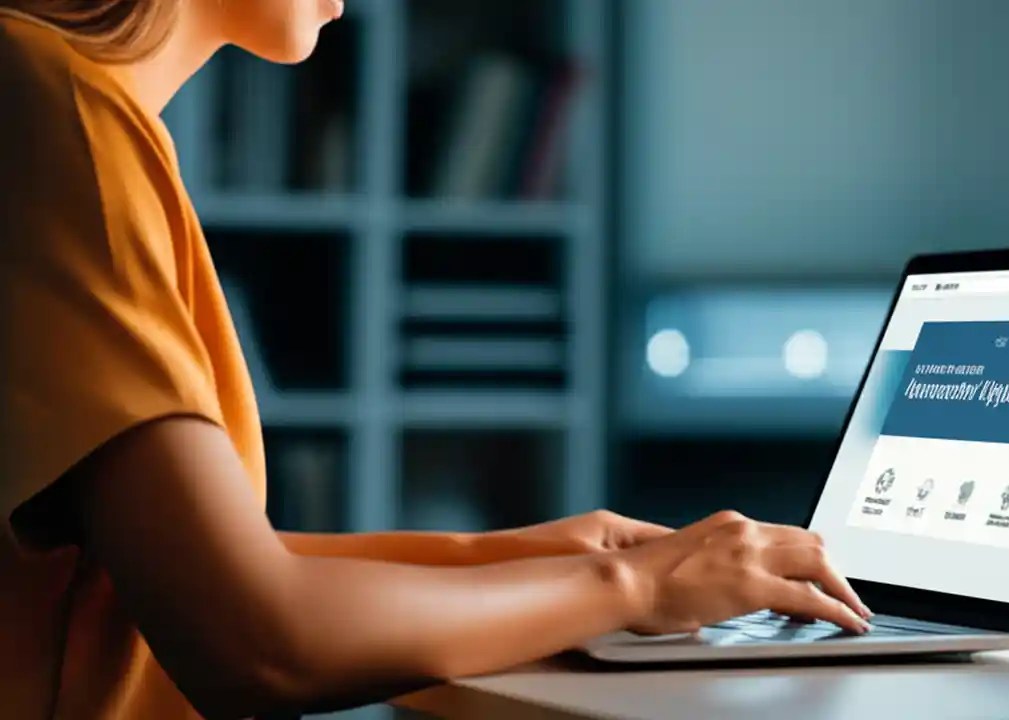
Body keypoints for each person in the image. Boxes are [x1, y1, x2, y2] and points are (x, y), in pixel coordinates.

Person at [0, 1, 872, 717]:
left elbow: (163, 568)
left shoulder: (57, 100)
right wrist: (632, 588)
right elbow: (257, 642)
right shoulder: (57, 115)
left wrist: (505, 559)